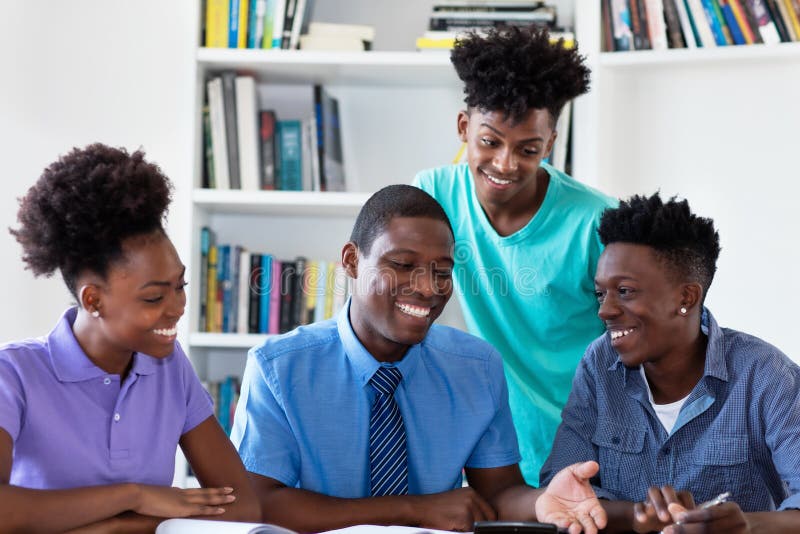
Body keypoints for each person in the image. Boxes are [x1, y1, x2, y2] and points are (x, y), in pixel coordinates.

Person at [232, 185, 606, 533]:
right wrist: (410, 509)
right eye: (403, 264)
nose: (427, 288)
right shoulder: (278, 368)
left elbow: (497, 494)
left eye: (441, 271)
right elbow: (257, 504)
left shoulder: (476, 368)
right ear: (352, 261)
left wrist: (543, 501)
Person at [1, 144, 260, 532]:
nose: (177, 307)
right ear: (93, 300)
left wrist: (119, 527)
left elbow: (243, 508)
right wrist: (133, 495)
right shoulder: (13, 373)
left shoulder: (170, 367)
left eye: (180, 286)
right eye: (154, 297)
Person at [413, 26, 617, 485]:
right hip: (488, 455)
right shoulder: (433, 194)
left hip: (588, 453)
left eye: (528, 149)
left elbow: (634, 345)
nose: (505, 164)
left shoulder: (597, 221)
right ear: (464, 128)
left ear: (550, 144)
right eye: (489, 142)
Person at [540, 193, 800, 533]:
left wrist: (746, 526)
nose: (605, 311)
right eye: (601, 294)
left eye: (625, 291)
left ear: (685, 297)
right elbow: (565, 488)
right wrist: (637, 516)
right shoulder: (599, 363)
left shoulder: (766, 375)